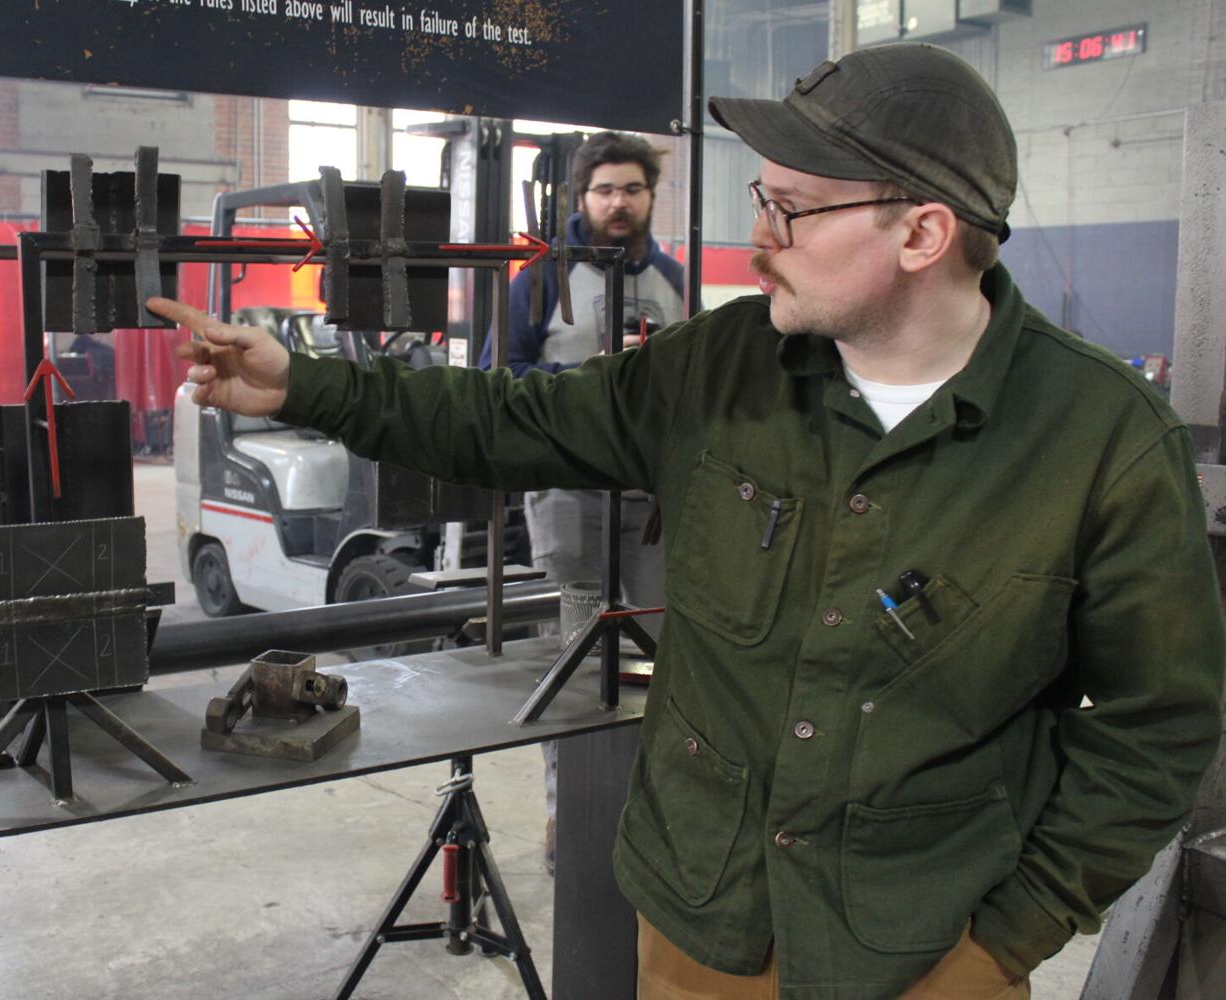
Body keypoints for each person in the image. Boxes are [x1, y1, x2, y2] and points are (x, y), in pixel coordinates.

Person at [149, 42, 1226, 999]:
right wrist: (305, 385)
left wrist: (1013, 932)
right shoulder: (722, 364)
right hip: (700, 924)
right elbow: (507, 418)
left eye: (793, 208)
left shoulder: (1100, 440)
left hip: (928, 952)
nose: (757, 238)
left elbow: (1157, 725)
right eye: (764, 195)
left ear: (924, 232)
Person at [478, 130, 686, 876]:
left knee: (668, 657)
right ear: (581, 197)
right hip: (571, 494)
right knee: (578, 661)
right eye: (605, 190)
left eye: (632, 189)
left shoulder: (669, 280)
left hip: (649, 501)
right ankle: (570, 820)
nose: (619, 202)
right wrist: (584, 386)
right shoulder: (541, 279)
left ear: (649, 197)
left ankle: (660, 818)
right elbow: (498, 376)